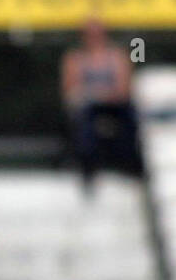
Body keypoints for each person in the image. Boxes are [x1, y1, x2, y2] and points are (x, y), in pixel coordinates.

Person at [61, 19, 144, 190]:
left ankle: (131, 165)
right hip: (89, 108)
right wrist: (100, 93)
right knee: (85, 123)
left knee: (130, 118)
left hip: (115, 106)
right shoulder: (75, 58)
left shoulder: (117, 56)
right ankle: (88, 169)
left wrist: (95, 93)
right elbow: (71, 91)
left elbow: (123, 90)